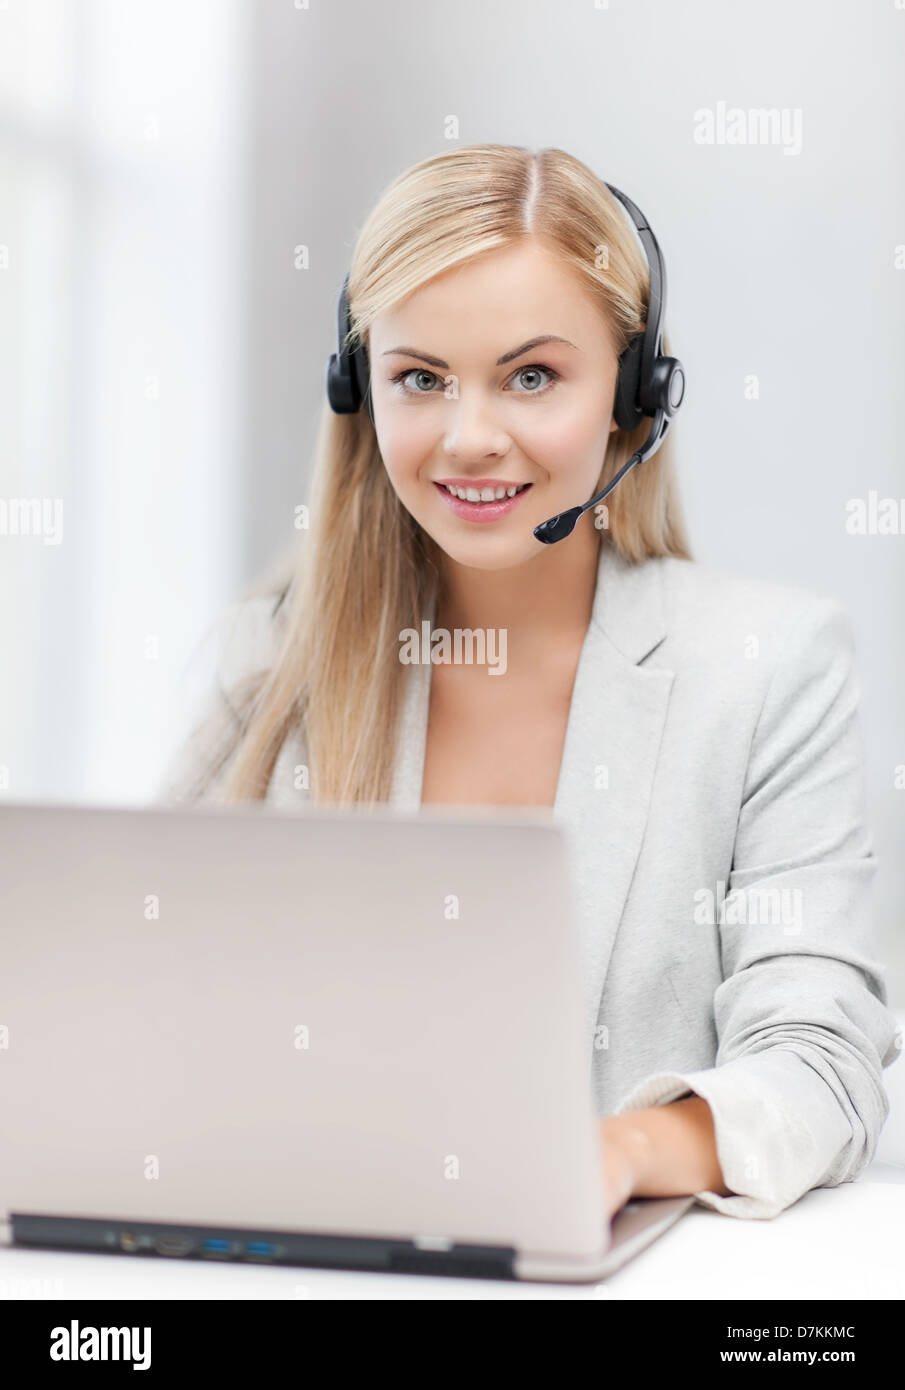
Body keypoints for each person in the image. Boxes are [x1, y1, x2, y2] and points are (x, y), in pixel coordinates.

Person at [158, 143, 901, 1223]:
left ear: (630, 396)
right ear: (357, 391)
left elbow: (821, 1059)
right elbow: (145, 1016)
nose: (469, 438)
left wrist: (612, 1153)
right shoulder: (269, 666)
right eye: (419, 378)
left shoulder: (769, 666)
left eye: (532, 375)